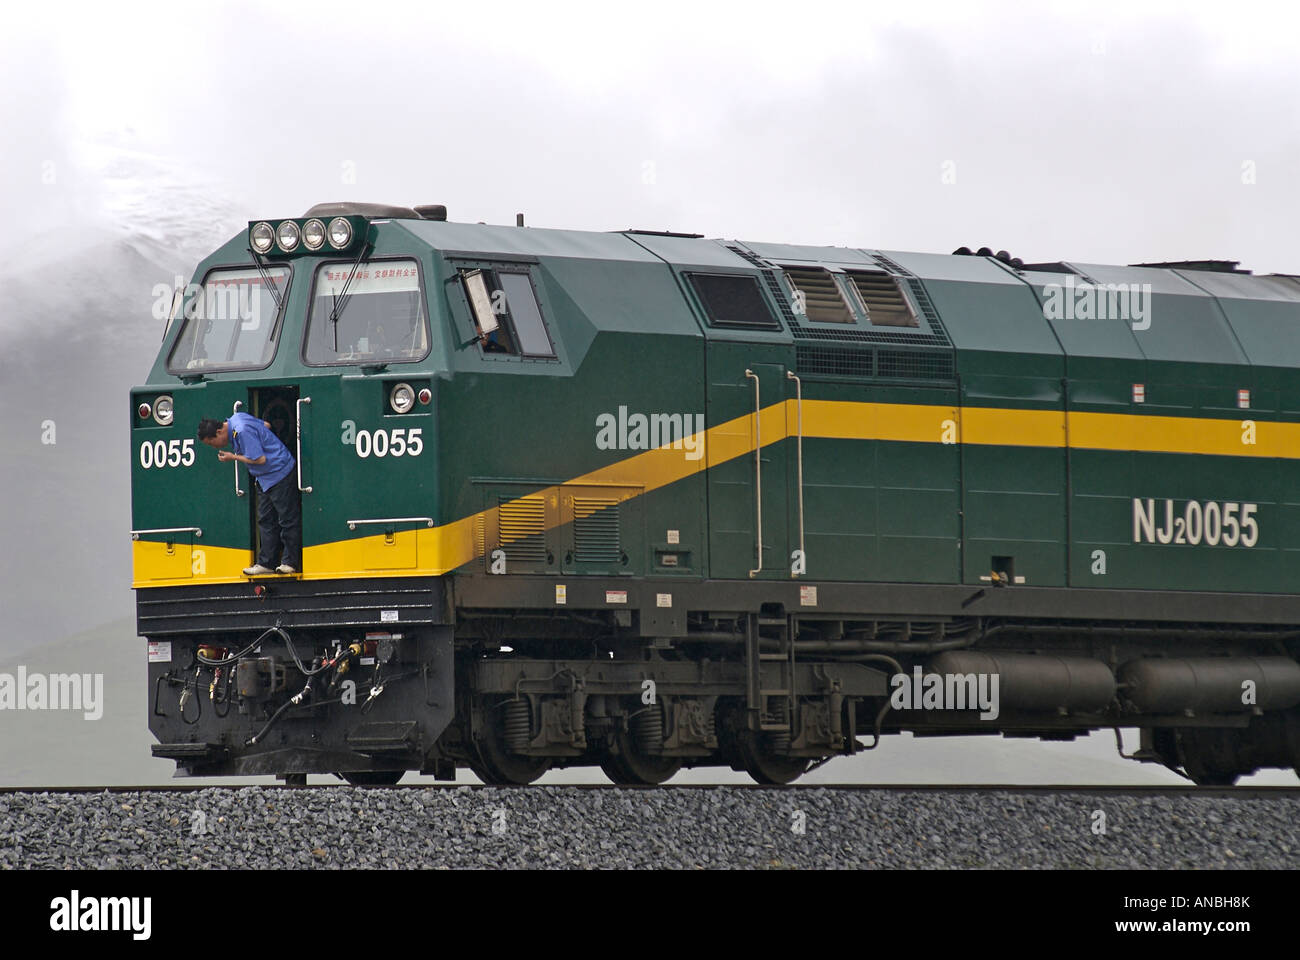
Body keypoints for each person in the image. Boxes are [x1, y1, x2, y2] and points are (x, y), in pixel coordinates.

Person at [197, 414, 301, 576]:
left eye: (212, 443)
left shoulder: (242, 430)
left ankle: (290, 562)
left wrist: (233, 457)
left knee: (287, 519)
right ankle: (266, 564)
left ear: (218, 432)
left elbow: (260, 459)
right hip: (265, 478)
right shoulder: (238, 417)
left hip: (280, 472)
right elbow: (266, 425)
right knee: (266, 520)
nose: (215, 447)